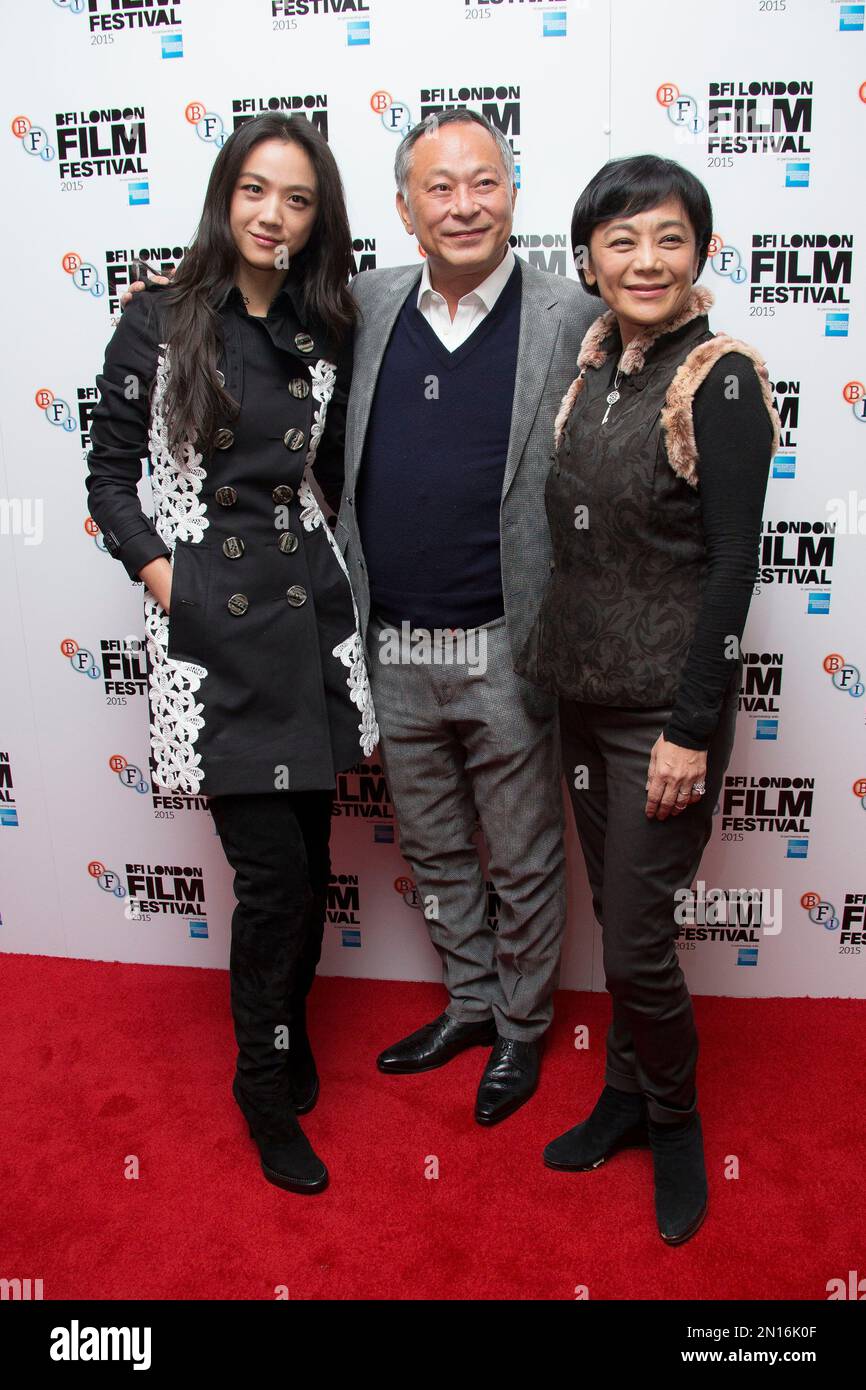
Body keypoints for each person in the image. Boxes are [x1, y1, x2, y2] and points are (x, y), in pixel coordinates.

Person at [85, 113, 378, 1195]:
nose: (273, 215)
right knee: (271, 882)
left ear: (317, 218)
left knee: (308, 875)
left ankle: (286, 1037)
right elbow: (109, 482)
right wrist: (178, 589)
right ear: (225, 195)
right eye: (256, 190)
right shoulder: (159, 321)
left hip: (306, 630)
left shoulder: (324, 327)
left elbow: (332, 474)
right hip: (216, 644)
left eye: (298, 199)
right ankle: (262, 1093)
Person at [515, 154, 779, 1243]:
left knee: (632, 943)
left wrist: (684, 729)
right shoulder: (597, 370)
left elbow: (730, 567)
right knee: (619, 923)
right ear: (587, 258)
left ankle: (673, 1119)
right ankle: (623, 1094)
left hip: (661, 716)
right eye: (619, 240)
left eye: (667, 238)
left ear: (700, 253)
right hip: (580, 695)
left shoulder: (715, 378)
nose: (643, 259)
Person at [336, 109, 599, 1125]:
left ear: (511, 191)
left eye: (481, 182)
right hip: (393, 638)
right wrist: (164, 300)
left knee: (525, 849)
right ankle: (470, 1002)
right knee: (437, 848)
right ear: (404, 209)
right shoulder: (362, 303)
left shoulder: (568, 312)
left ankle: (523, 1029)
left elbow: (658, 358)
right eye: (438, 187)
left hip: (504, 637)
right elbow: (249, 310)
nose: (462, 204)